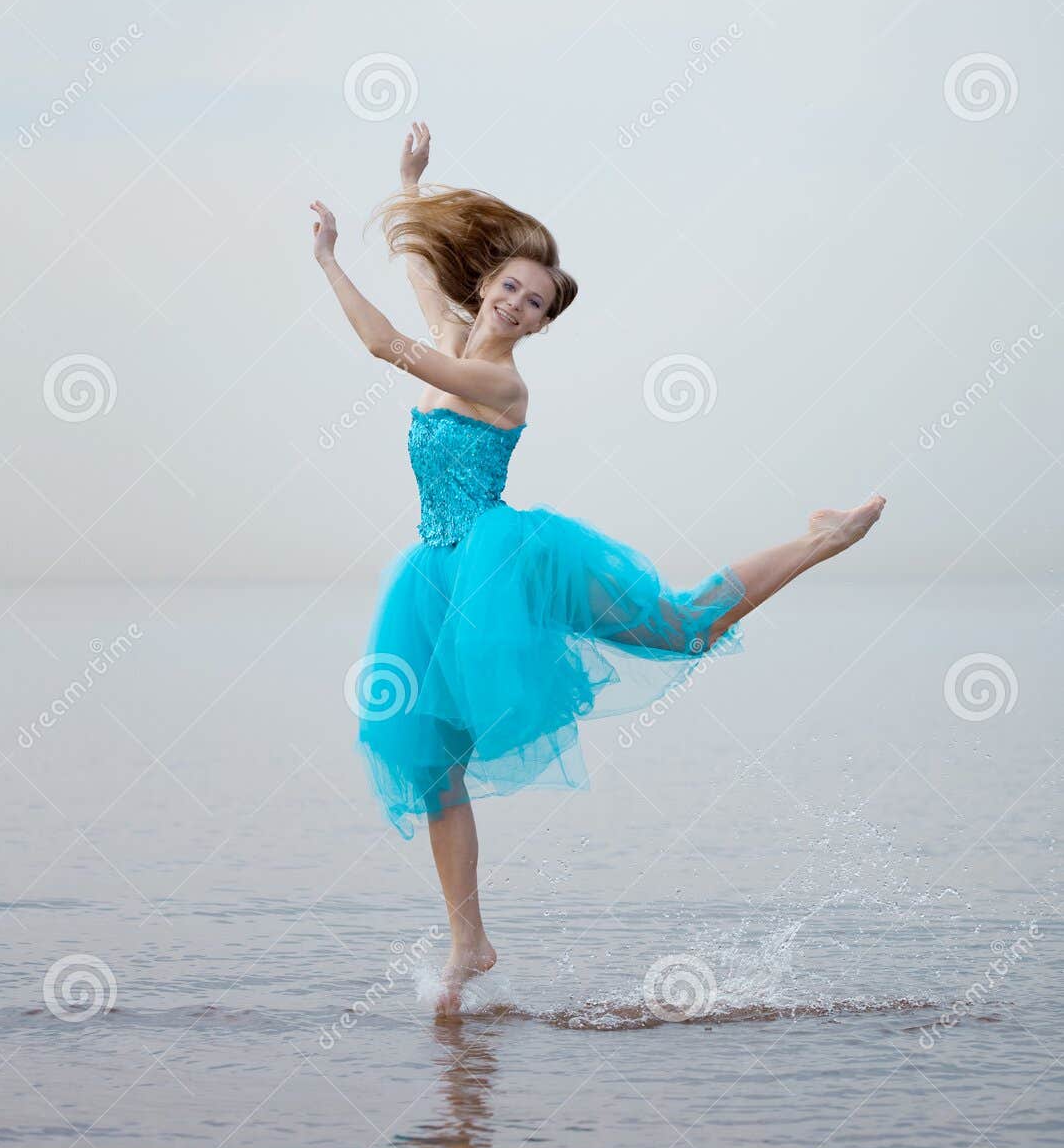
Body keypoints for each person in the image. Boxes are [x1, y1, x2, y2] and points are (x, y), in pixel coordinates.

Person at [311, 123, 885, 1011]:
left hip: (510, 563)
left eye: (534, 304)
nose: (516, 305)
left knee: (678, 628)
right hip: (438, 571)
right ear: (490, 285)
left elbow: (384, 346)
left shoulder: (499, 384)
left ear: (541, 324)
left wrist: (326, 261)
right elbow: (421, 276)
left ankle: (819, 540)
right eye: (510, 286)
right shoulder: (453, 333)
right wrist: (409, 181)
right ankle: (471, 940)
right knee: (432, 763)